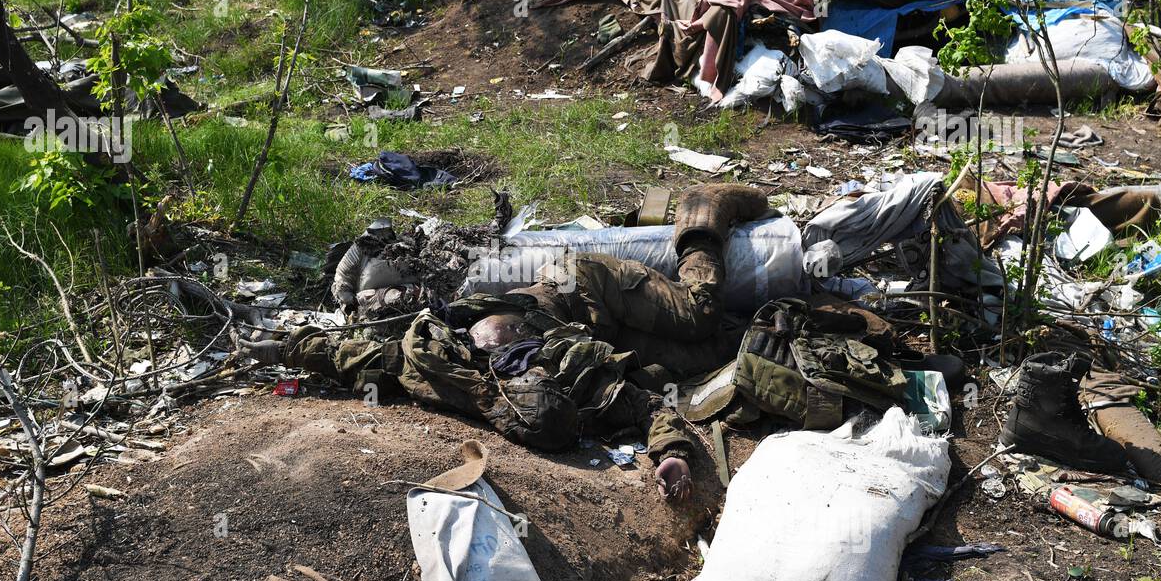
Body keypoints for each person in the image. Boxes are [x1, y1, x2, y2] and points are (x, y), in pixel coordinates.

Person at [236, 184, 772, 501]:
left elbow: (346, 352)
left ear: (529, 382)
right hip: (594, 330)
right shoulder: (487, 383)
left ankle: (703, 212)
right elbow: (650, 405)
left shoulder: (465, 363)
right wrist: (673, 456)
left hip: (586, 286)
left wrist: (276, 343)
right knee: (714, 357)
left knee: (699, 318)